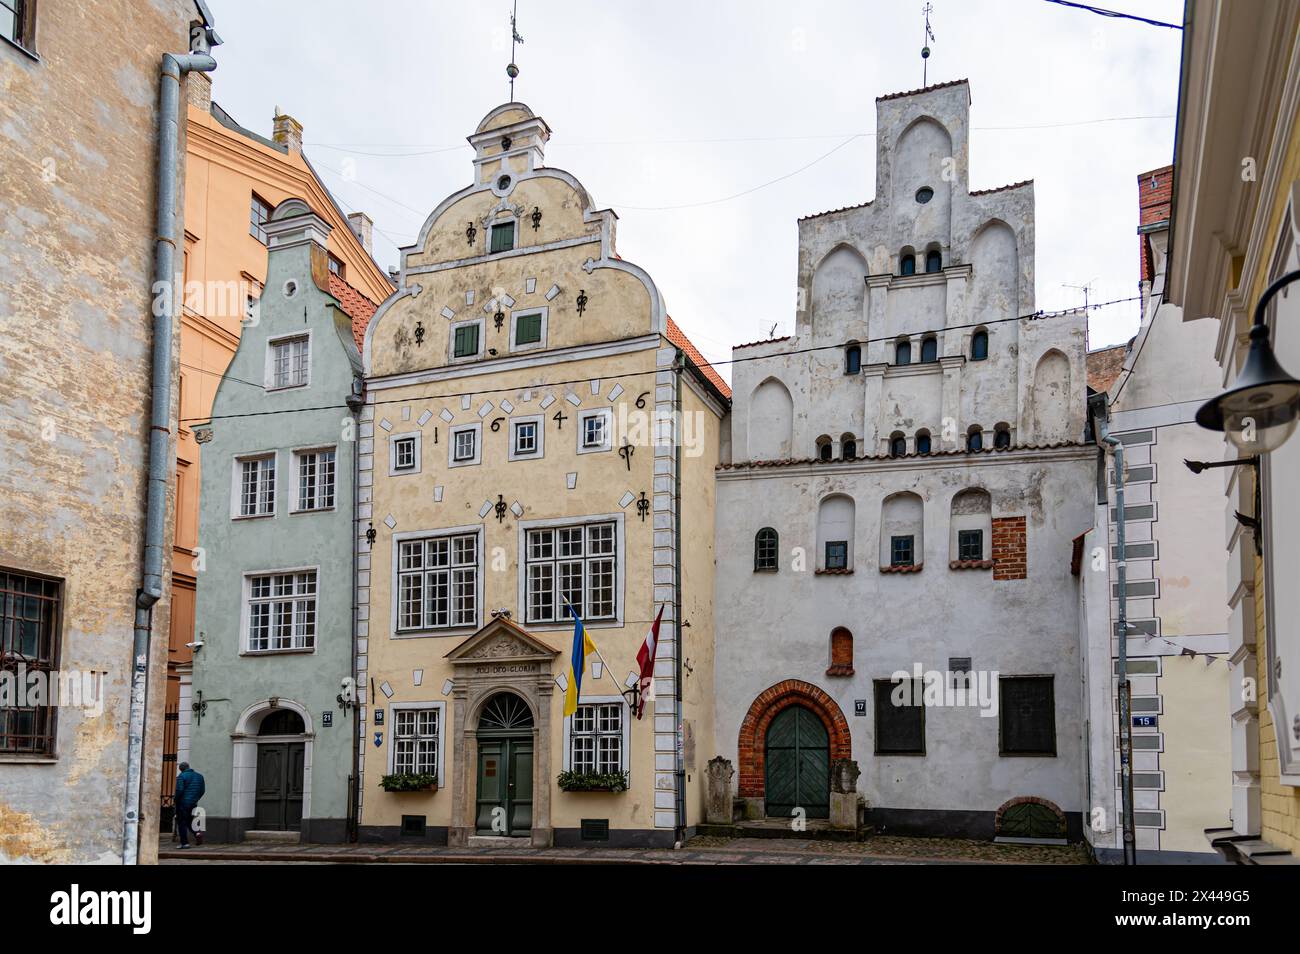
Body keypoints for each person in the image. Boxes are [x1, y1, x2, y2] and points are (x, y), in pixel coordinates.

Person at [174, 761, 205, 849]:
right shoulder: (199, 776)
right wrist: (195, 799)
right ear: (188, 767)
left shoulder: (182, 776)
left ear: (181, 769)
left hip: (183, 803)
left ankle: (184, 843)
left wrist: (175, 800)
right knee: (189, 821)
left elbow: (179, 790)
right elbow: (202, 790)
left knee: (182, 822)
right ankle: (197, 833)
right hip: (193, 803)